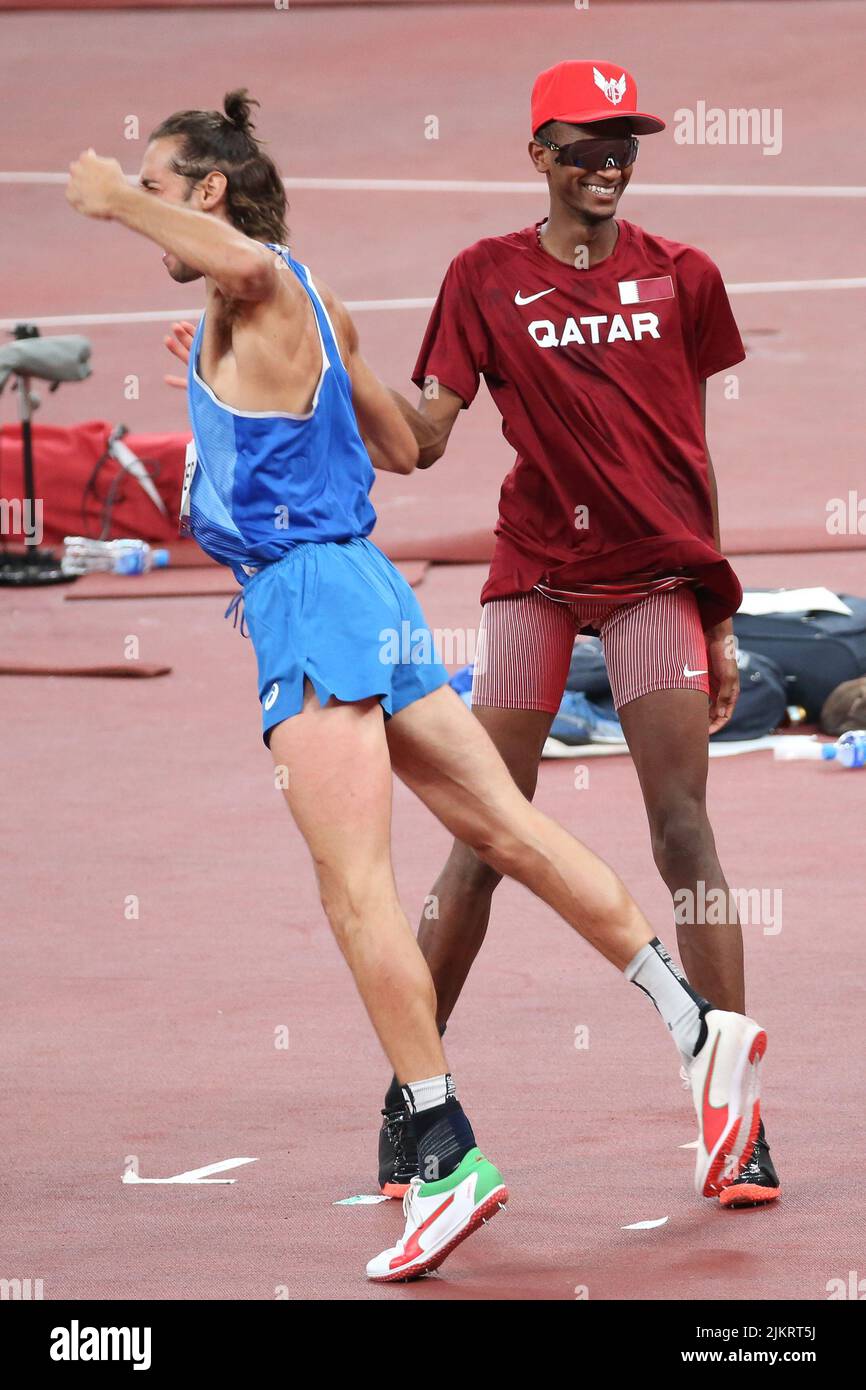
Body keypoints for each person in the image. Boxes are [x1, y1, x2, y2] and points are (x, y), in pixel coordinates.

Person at [66, 89, 768, 1284]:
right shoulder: (312, 304)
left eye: (161, 178)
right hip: (373, 593)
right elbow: (404, 443)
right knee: (506, 827)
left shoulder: (262, 281)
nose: (145, 191)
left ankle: (442, 1150)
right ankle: (695, 1026)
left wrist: (112, 201)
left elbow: (236, 266)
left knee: (355, 891)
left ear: (207, 193)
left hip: (310, 605)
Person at [376, 60, 780, 1208]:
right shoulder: (482, 277)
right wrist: (332, 373)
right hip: (538, 575)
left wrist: (715, 603)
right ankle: (415, 1108)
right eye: (584, 143)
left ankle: (734, 1115)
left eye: (624, 143)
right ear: (538, 152)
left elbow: (690, 450)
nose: (607, 162)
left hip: (656, 575)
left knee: (682, 830)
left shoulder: (682, 276)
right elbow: (427, 435)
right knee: (487, 832)